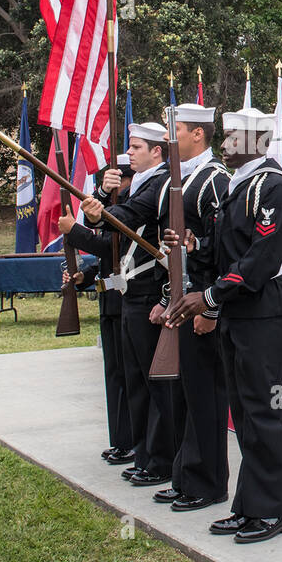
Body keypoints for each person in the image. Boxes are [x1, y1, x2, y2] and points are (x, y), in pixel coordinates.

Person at [164, 107, 282, 544]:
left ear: (256, 140)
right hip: (239, 309)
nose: (224, 143)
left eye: (232, 136)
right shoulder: (240, 185)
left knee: (264, 409)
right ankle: (250, 505)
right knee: (243, 412)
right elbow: (226, 250)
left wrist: (208, 297)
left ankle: (274, 510)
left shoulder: (274, 187)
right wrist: (195, 246)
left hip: (266, 308)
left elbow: (260, 259)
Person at [147, 103, 231, 512]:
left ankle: (208, 481)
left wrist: (209, 309)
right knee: (185, 393)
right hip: (182, 297)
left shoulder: (215, 180)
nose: (169, 137)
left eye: (176, 129)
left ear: (198, 134)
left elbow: (221, 252)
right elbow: (176, 255)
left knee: (205, 394)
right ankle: (186, 474)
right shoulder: (175, 180)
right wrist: (168, 298)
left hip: (202, 300)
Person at [81, 123, 174, 486]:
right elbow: (114, 225)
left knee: (153, 383)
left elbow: (128, 219)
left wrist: (97, 213)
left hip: (150, 288)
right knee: (134, 380)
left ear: (156, 152)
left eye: (136, 147)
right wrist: (100, 201)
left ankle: (158, 458)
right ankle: (142, 452)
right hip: (128, 289)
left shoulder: (160, 183)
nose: (129, 153)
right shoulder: (139, 182)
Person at [57, 153, 136, 466]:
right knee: (113, 374)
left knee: (128, 376)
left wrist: (73, 231)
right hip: (108, 297)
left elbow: (111, 245)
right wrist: (83, 275)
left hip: (126, 297)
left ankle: (131, 442)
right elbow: (104, 256)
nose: (108, 184)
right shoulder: (111, 204)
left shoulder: (131, 205)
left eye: (114, 179)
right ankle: (119, 440)